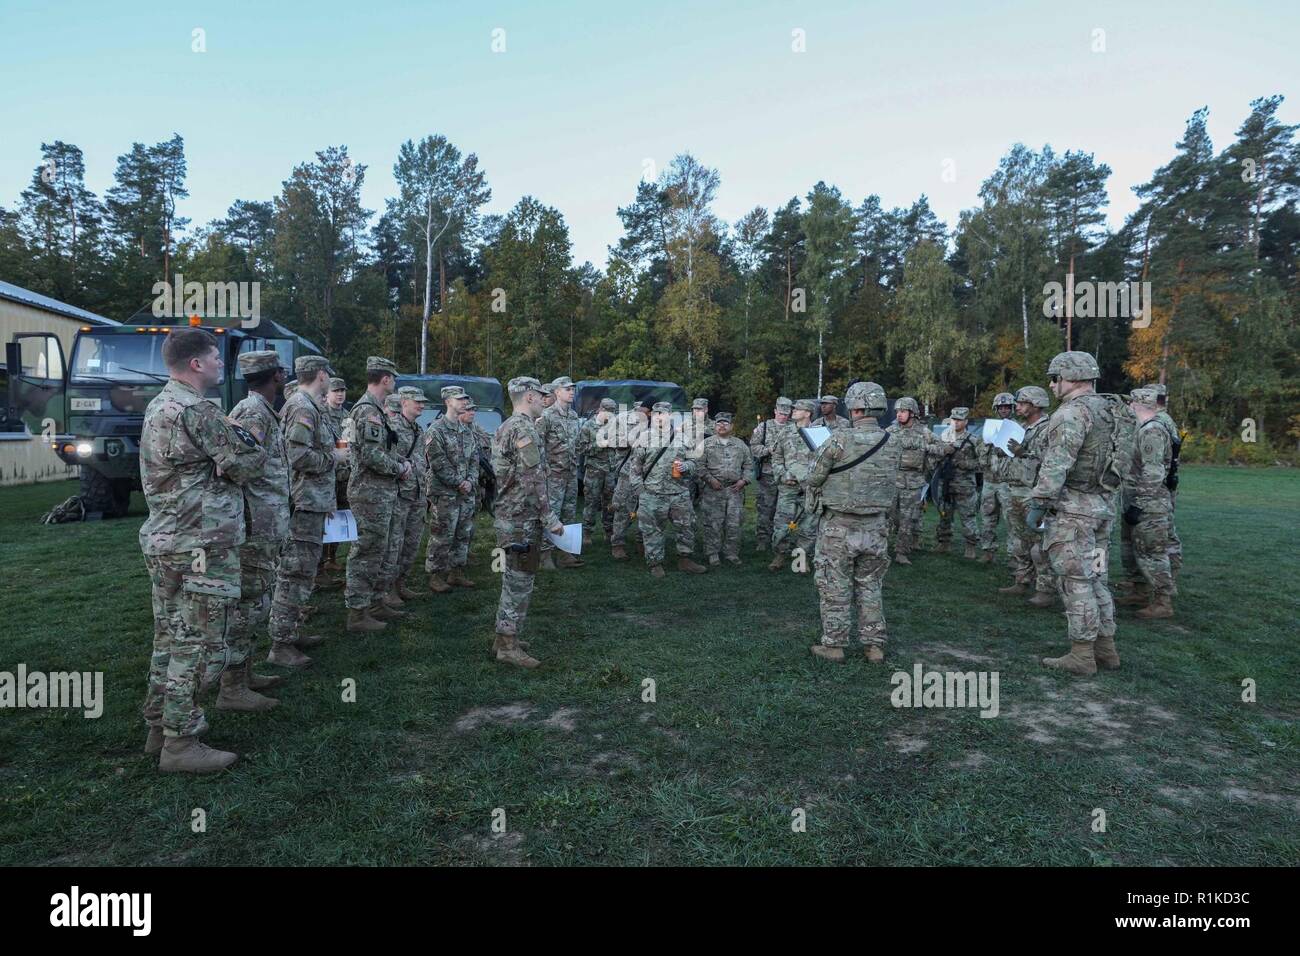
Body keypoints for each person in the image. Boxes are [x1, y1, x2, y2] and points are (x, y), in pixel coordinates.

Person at [138, 327, 267, 773]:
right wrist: (246, 437)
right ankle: (181, 742)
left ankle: (159, 728)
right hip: (200, 544)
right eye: (214, 356)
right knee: (199, 643)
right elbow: (247, 464)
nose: (219, 363)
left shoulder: (161, 404)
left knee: (170, 637)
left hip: (168, 539)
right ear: (196, 363)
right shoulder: (197, 410)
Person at [1027, 351, 1124, 676]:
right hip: (1103, 506)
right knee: (1097, 578)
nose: (1052, 385)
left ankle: (1082, 654)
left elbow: (1057, 463)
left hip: (1074, 511)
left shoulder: (1072, 413)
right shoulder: (1112, 410)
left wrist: (1039, 503)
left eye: (1055, 378)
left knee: (1076, 579)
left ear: (1069, 378)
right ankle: (1106, 649)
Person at [805, 382, 901, 663]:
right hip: (876, 527)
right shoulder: (892, 440)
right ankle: (874, 646)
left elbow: (813, 476)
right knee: (870, 584)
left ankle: (834, 644)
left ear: (855, 407)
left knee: (834, 584)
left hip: (839, 527)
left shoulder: (839, 439)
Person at [223, 350, 291, 711]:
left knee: (257, 599)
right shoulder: (252, 413)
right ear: (276, 376)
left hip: (267, 521)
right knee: (247, 604)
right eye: (282, 371)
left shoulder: (263, 411)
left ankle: (244, 672)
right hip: (255, 525)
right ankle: (231, 686)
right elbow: (237, 466)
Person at [270, 355, 346, 652]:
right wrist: (334, 458)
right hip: (303, 502)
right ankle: (281, 645)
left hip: (313, 501)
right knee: (294, 573)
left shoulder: (311, 406)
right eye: (327, 373)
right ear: (321, 375)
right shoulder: (302, 407)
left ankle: (290, 632)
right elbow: (297, 457)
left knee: (303, 572)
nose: (329, 378)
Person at [490, 377, 564, 667]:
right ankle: (508, 645)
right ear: (530, 397)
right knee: (519, 581)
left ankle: (505, 636)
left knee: (514, 578)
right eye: (541, 395)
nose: (545, 400)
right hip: (522, 517)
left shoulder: (507, 425)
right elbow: (531, 478)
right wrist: (549, 517)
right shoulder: (523, 429)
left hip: (511, 514)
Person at [344, 356, 409, 631]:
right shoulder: (367, 411)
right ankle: (357, 613)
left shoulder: (378, 410)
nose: (394, 382)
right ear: (386, 379)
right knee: (366, 552)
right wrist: (400, 468)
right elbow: (371, 455)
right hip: (369, 493)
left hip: (381, 493)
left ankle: (375, 601)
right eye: (393, 378)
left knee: (379, 550)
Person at [1116, 387, 1176, 619]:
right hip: (1135, 499)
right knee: (1133, 549)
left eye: (1131, 402)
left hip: (1149, 504)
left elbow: (1153, 471)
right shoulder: (1142, 428)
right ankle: (1139, 591)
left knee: (1152, 552)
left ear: (1138, 404)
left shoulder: (1152, 430)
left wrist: (1139, 504)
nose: (1129, 406)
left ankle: (1163, 602)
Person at [633, 402, 707, 578]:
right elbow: (634, 469)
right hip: (652, 494)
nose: (659, 416)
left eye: (663, 414)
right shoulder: (643, 439)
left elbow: (695, 463)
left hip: (678, 493)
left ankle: (685, 559)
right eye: (656, 413)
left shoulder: (683, 438)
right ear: (652, 416)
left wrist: (686, 466)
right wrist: (640, 492)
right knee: (652, 530)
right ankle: (655, 563)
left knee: (686, 527)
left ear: (670, 416)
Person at [1000, 386, 1057, 603]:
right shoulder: (1023, 427)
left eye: (1022, 403)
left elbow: (1052, 461)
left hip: (1035, 492)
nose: (1017, 407)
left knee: (1039, 543)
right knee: (1019, 540)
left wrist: (1024, 453)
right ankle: (1022, 580)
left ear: (1035, 405)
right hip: (1016, 489)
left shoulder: (1048, 428)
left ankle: (1045, 588)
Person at [886, 396, 950, 565]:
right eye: (897, 411)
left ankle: (901, 552)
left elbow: (945, 449)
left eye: (903, 411)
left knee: (908, 519)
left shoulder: (924, 432)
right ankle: (881, 549)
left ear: (912, 413)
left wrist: (925, 448)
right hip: (892, 480)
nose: (899, 415)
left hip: (913, 482)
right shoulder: (891, 431)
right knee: (887, 517)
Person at [424, 385, 476, 593]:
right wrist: (458, 482)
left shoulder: (466, 430)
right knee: (442, 534)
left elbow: (475, 459)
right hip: (445, 492)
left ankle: (456, 571)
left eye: (465, 398)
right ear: (447, 402)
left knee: (463, 533)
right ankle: (436, 574)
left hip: (465, 492)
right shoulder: (436, 430)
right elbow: (437, 462)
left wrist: (470, 480)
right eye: (459, 398)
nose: (464, 402)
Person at [383, 387, 429, 602]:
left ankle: (401, 582)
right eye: (417, 401)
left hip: (418, 493)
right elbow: (384, 456)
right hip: (400, 494)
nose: (421, 405)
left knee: (412, 542)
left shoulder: (417, 429)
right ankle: (388, 588)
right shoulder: (391, 426)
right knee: (395, 543)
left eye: (422, 402)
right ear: (404, 402)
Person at [537, 376, 584, 569]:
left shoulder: (573, 416)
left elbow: (576, 443)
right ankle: (545, 555)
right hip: (553, 474)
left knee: (569, 512)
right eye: (567, 389)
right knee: (552, 513)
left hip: (571, 473)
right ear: (557, 392)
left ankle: (566, 553)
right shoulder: (546, 416)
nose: (571, 392)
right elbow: (538, 445)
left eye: (573, 389)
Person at [769, 398, 820, 572]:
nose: (793, 411)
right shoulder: (785, 432)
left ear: (808, 413)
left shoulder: (818, 433)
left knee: (809, 525)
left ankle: (801, 559)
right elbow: (776, 457)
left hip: (810, 488)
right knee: (783, 522)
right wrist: (782, 476)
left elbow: (825, 461)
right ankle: (780, 554)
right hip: (788, 486)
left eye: (798, 409)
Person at [697, 412, 752, 565]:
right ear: (714, 426)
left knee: (734, 523)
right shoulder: (706, 444)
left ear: (731, 426)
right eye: (718, 423)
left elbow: (748, 465)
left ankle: (731, 553)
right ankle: (712, 553)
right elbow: (699, 466)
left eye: (725, 423)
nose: (722, 426)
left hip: (735, 490)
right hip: (713, 490)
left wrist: (744, 480)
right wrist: (710, 479)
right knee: (712, 523)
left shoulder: (740, 445)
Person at [935, 407, 983, 558]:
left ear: (966, 421)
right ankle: (944, 542)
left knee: (968, 517)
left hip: (965, 485)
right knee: (944, 515)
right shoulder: (944, 438)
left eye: (959, 420)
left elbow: (982, 462)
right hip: (946, 484)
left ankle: (971, 545)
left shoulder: (973, 440)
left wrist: (966, 464)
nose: (956, 422)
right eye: (954, 419)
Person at [978, 392, 1017, 563]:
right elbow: (980, 454)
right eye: (1001, 407)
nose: (1004, 410)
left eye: (1007, 407)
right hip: (989, 480)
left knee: (1012, 521)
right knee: (987, 517)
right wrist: (987, 445)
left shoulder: (1018, 428)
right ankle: (988, 551)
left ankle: (1014, 556)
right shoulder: (989, 428)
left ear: (1012, 408)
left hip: (1008, 482)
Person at [750, 398, 792, 552]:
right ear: (775, 411)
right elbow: (754, 447)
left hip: (788, 476)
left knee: (785, 511)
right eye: (781, 413)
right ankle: (762, 540)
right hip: (768, 475)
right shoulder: (765, 427)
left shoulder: (793, 428)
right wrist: (768, 451)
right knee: (765, 510)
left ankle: (782, 540)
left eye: (787, 414)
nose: (784, 417)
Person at [610, 402, 649, 561]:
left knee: (646, 509)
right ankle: (617, 544)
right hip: (627, 472)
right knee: (622, 508)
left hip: (648, 474)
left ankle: (642, 541)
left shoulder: (657, 420)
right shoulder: (622, 419)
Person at [578, 398, 620, 547]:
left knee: (610, 503)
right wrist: (599, 444)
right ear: (600, 410)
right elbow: (581, 449)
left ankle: (608, 531)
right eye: (608, 412)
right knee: (591, 502)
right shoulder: (588, 426)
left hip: (611, 470)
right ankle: (587, 532)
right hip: (594, 470)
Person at [321, 376, 350, 573]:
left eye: (342, 391)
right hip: (327, 473)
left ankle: (333, 556)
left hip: (345, 475)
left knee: (341, 515)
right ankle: (321, 560)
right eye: (335, 391)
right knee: (325, 516)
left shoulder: (348, 416)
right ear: (327, 393)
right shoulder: (321, 415)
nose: (340, 394)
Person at [457, 400, 484, 569]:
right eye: (469, 410)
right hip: (456, 484)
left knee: (470, 519)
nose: (472, 412)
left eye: (474, 409)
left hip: (473, 481)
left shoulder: (475, 428)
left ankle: (465, 550)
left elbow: (486, 443)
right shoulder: (452, 429)